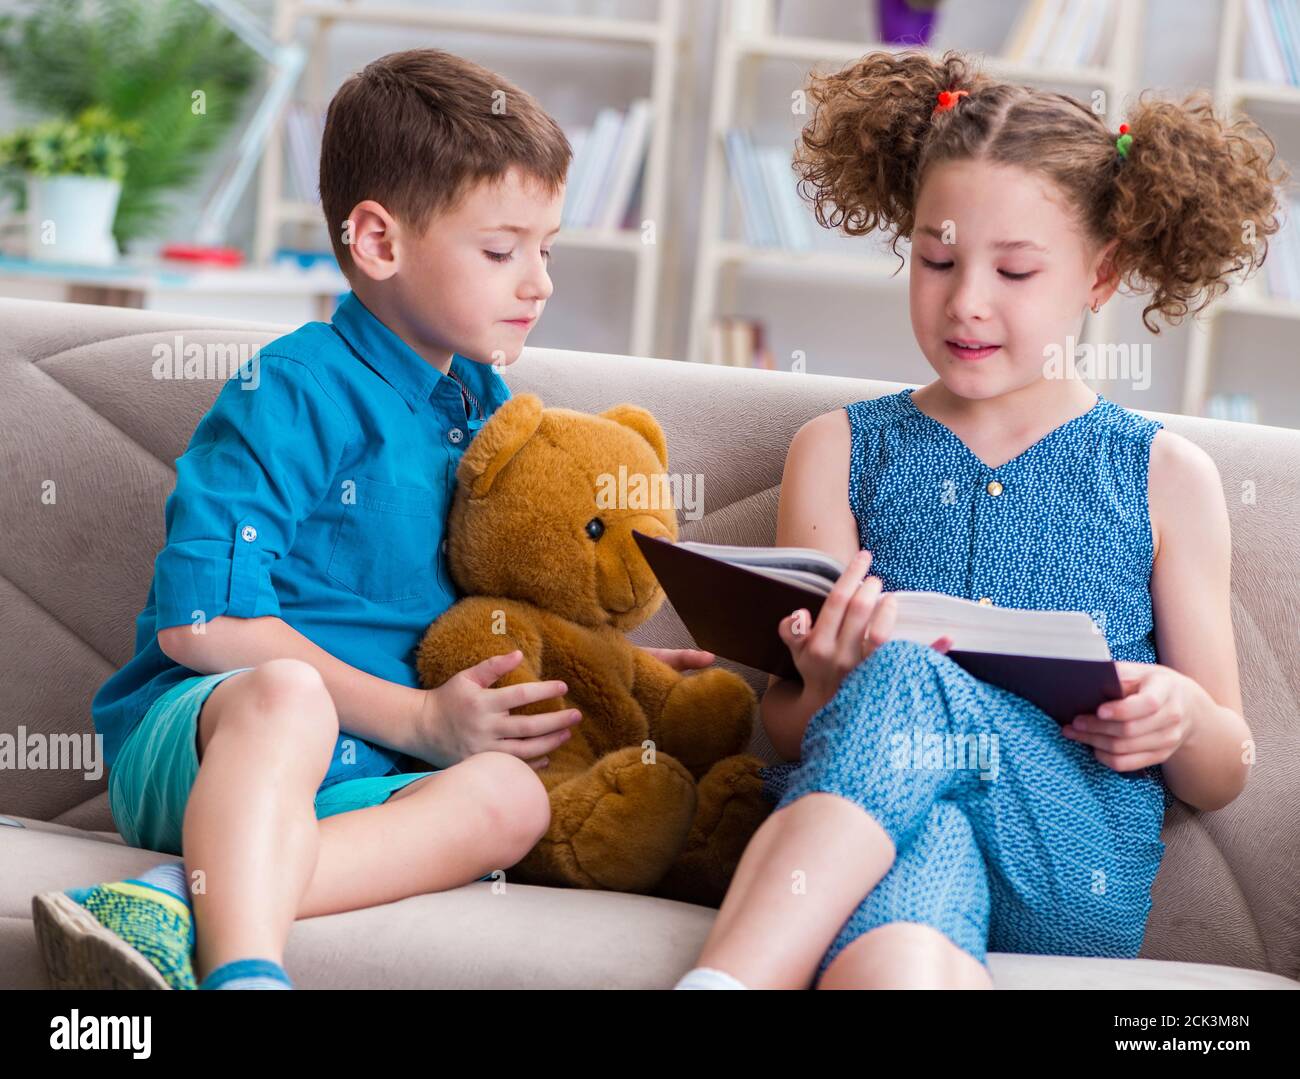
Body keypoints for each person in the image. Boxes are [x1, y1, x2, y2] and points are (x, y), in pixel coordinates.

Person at [31, 48, 710, 991]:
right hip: (207, 738)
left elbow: (505, 580)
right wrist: (421, 715)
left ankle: (178, 901)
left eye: (546, 248)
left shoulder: (484, 403)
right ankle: (245, 970)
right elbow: (200, 625)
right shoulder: (295, 388)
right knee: (286, 696)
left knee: (513, 798)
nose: (539, 282)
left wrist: (615, 662)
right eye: (502, 249)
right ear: (380, 243)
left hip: (365, 779)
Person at [675, 49, 1283, 990]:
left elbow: (1227, 766)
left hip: (1067, 857)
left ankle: (724, 982)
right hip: (890, 837)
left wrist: (1181, 715)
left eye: (1016, 270)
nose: (967, 301)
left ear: (1102, 275)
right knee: (900, 942)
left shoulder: (1166, 474)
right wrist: (824, 681)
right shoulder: (835, 448)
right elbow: (793, 728)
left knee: (913, 676)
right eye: (938, 259)